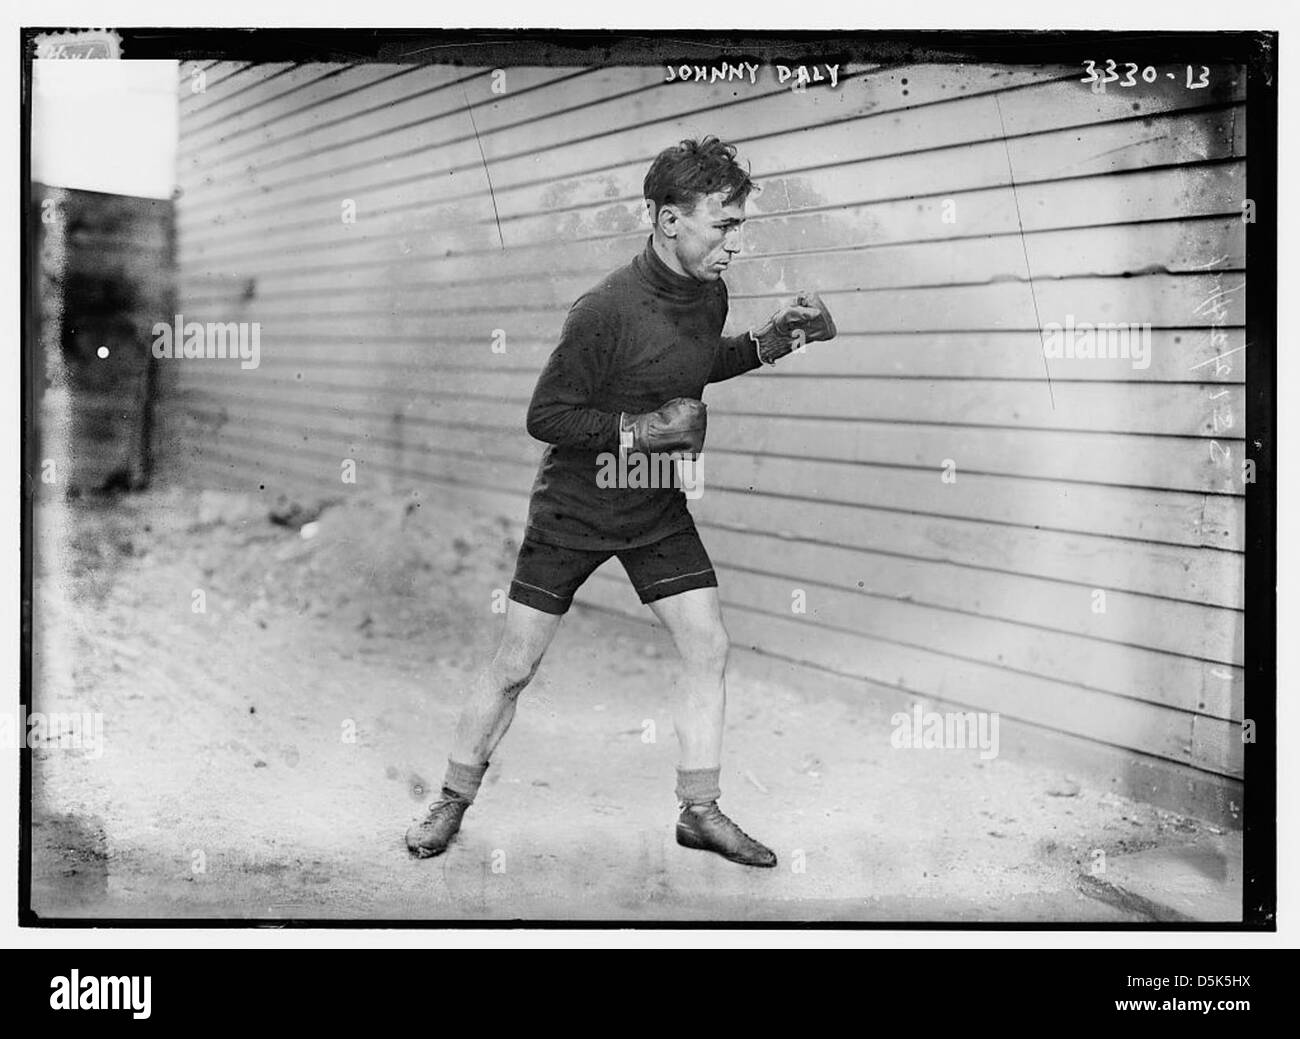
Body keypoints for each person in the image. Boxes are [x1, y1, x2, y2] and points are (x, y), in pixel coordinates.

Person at [406, 136, 837, 868]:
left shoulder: (710, 291)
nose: (735, 243)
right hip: (574, 507)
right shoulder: (603, 309)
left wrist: (771, 341)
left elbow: (697, 362)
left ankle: (699, 810)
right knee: (514, 663)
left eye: (739, 225)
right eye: (722, 225)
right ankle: (451, 794)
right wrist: (637, 430)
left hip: (653, 506)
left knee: (709, 644)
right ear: (669, 221)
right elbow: (546, 415)